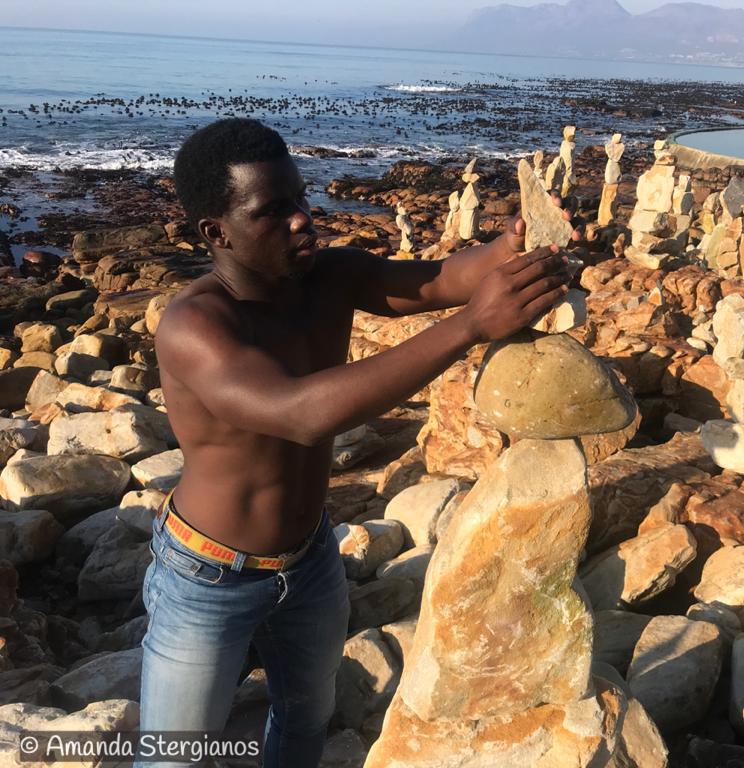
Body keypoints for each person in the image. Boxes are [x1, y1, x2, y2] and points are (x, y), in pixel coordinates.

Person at [138, 117, 571, 767]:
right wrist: (470, 328)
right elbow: (300, 413)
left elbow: (442, 279)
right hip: (207, 576)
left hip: (309, 560)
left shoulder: (331, 277)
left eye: (301, 200)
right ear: (215, 232)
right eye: (273, 212)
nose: (301, 221)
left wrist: (519, 245)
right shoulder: (197, 325)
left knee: (306, 719)